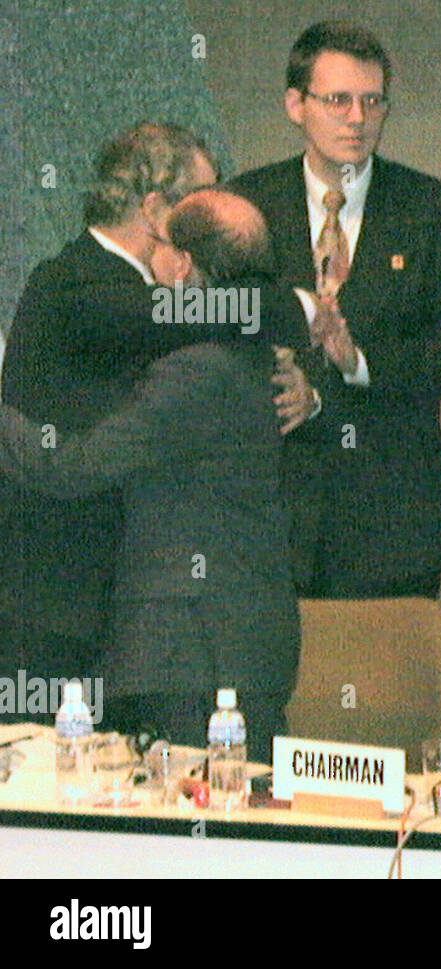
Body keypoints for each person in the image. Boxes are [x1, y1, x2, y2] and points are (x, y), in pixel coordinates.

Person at [0, 121, 306, 716]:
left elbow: (249, 308)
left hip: (143, 616)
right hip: (60, 600)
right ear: (155, 210)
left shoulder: (184, 320)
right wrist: (290, 311)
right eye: (199, 200)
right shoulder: (79, 285)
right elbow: (250, 307)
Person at [227, 21, 441, 601]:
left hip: (389, 527)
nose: (357, 118)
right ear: (295, 104)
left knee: (388, 690)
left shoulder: (440, 214)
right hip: (265, 523)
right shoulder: (245, 207)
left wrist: (358, 361)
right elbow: (213, 330)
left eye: (372, 101)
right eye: (338, 99)